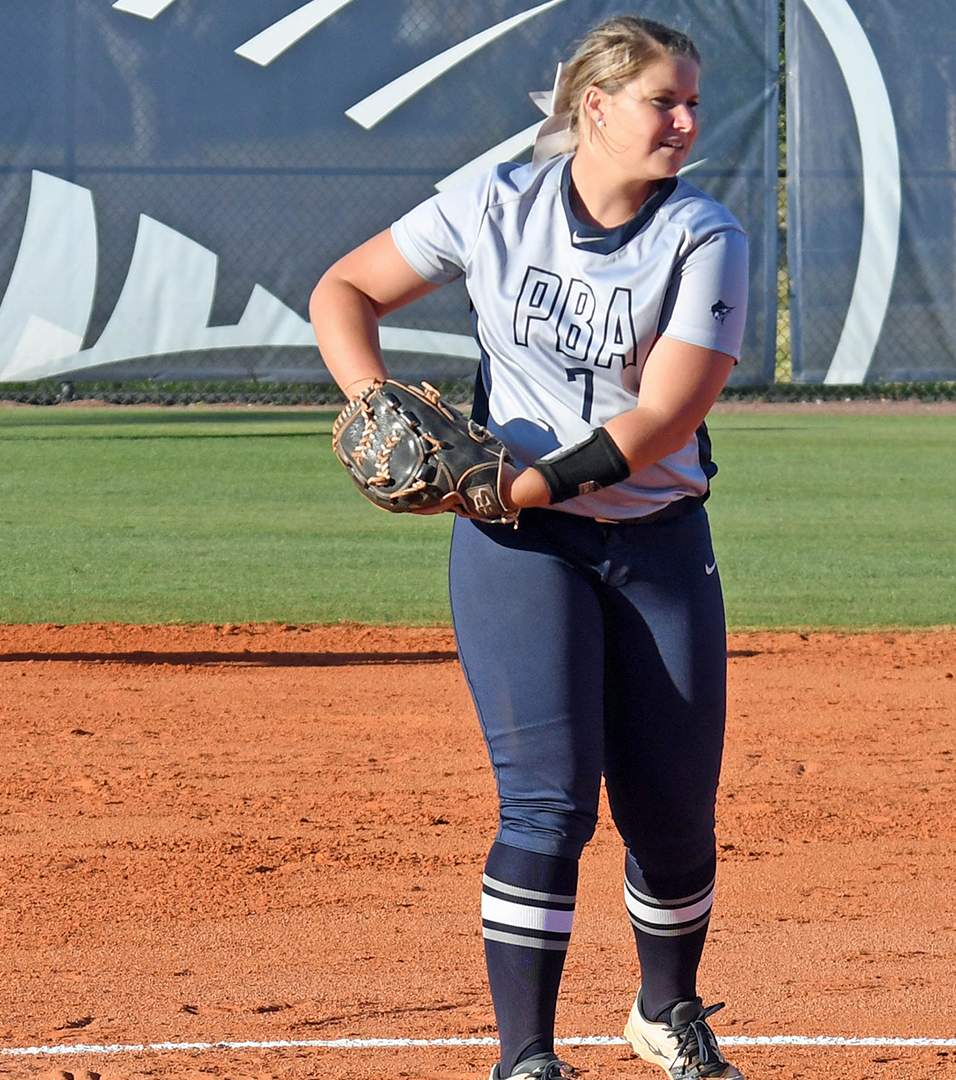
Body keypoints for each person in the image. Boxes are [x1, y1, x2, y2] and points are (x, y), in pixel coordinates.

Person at [310, 15, 749, 1080]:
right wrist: (372, 401)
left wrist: (527, 481)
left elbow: (666, 418)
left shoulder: (704, 237)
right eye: (663, 101)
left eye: (693, 102)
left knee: (673, 816)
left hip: (652, 539)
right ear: (595, 106)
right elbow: (344, 290)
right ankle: (526, 1058)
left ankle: (664, 1011)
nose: (686, 122)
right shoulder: (496, 203)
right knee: (547, 805)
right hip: (517, 550)